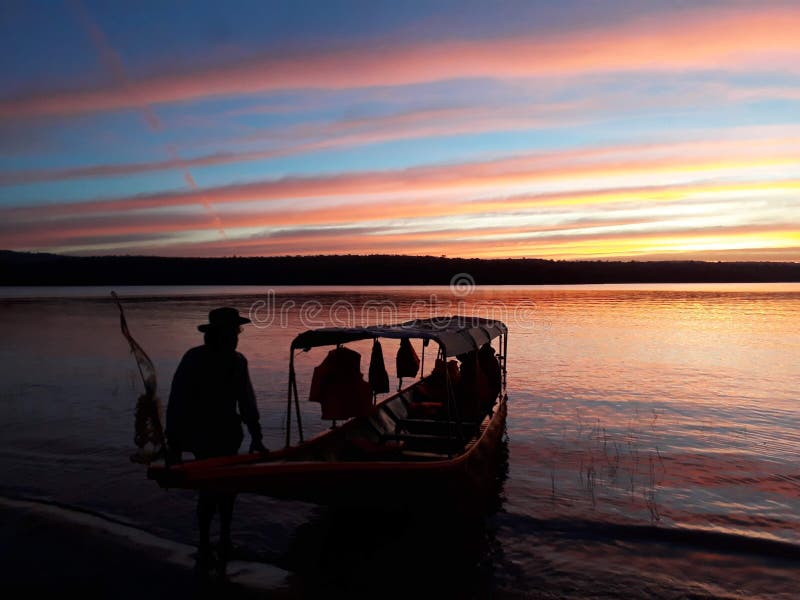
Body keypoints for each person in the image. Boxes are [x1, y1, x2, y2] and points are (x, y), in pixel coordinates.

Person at [165, 306, 268, 577]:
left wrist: (256, 436)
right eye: (232, 332)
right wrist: (173, 442)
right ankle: (204, 540)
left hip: (228, 435)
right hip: (204, 436)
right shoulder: (195, 360)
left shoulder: (237, 361)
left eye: (236, 332)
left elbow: (246, 401)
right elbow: (178, 401)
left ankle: (223, 537)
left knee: (227, 489)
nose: (236, 336)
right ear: (217, 334)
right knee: (211, 490)